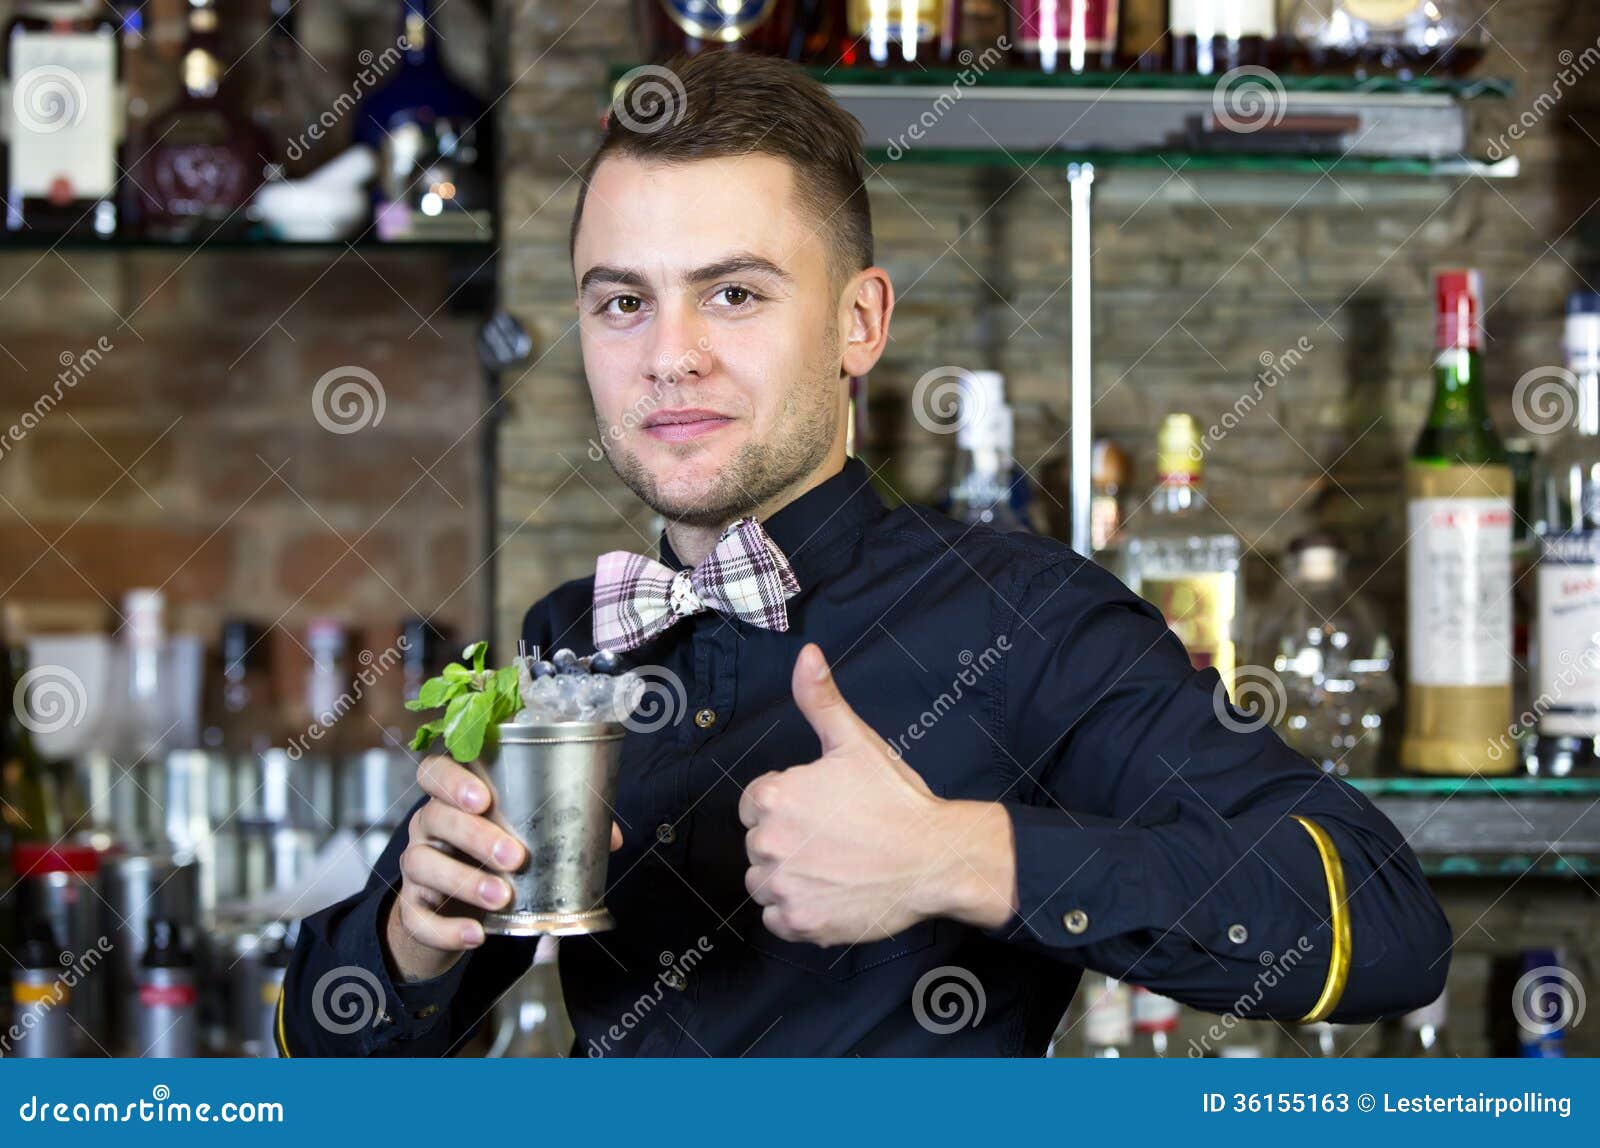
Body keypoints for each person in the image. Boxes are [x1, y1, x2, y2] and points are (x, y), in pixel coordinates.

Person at [279, 51, 1450, 1057]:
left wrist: (966, 855)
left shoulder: (1032, 617)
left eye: (732, 293)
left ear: (860, 323)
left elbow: (1387, 922)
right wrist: (412, 933)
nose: (667, 356)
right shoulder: (565, 639)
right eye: (621, 303)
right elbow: (324, 1058)